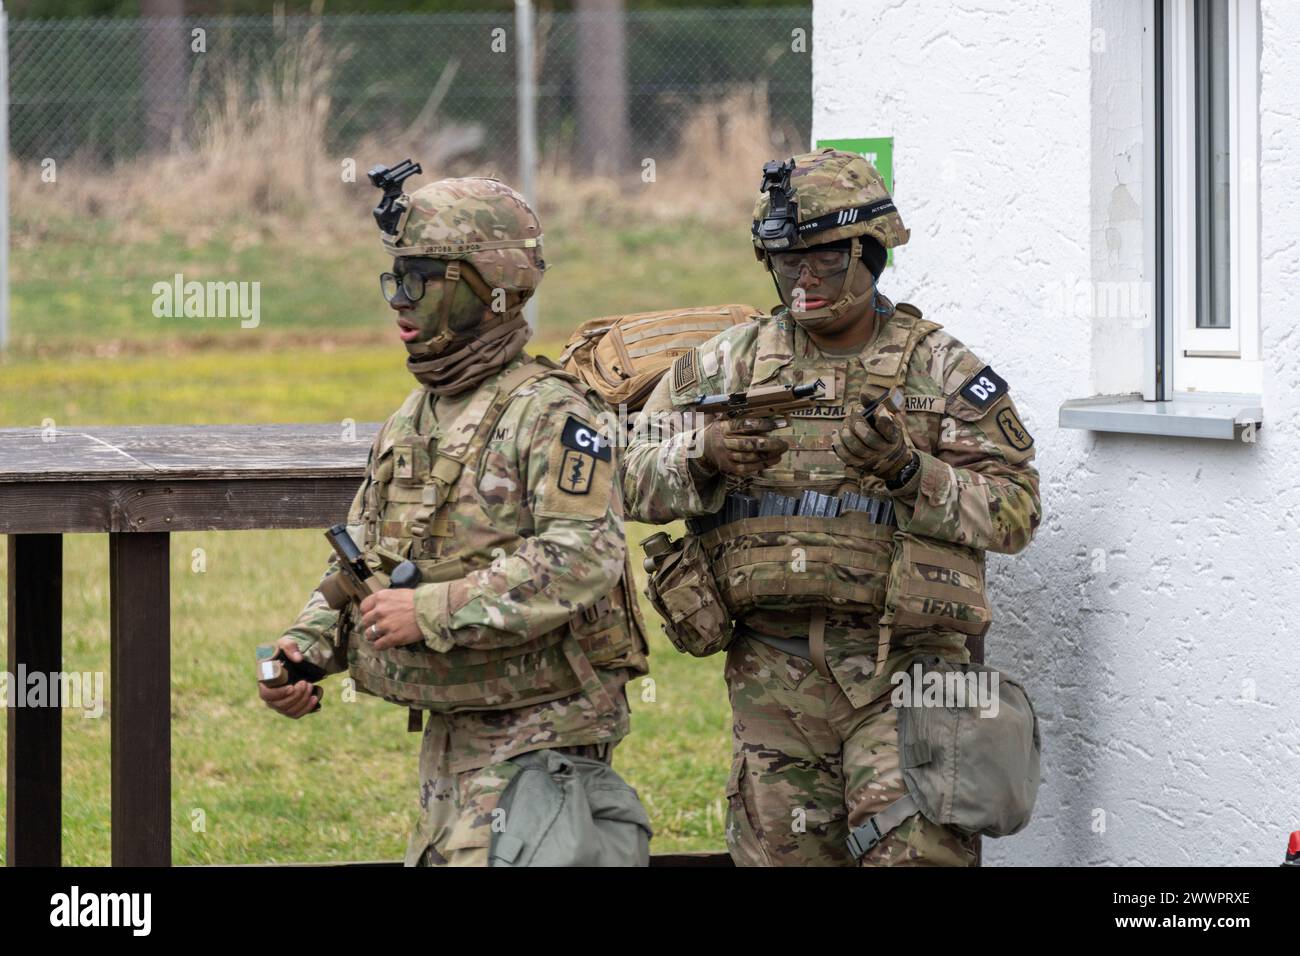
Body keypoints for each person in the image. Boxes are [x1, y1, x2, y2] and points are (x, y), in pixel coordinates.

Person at [623, 148, 1041, 866]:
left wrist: (913, 474)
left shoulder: (941, 370)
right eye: (786, 262)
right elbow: (624, 477)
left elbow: (1016, 512)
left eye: (823, 258)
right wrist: (704, 454)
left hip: (907, 677)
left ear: (871, 251)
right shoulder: (724, 365)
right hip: (774, 680)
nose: (803, 278)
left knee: (917, 853)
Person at [259, 168, 651, 867]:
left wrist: (434, 610)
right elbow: (363, 560)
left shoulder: (553, 414)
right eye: (395, 279)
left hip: (543, 732)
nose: (399, 302)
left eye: (421, 279)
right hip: (456, 729)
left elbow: (583, 554)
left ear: (486, 288)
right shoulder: (415, 417)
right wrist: (305, 649)